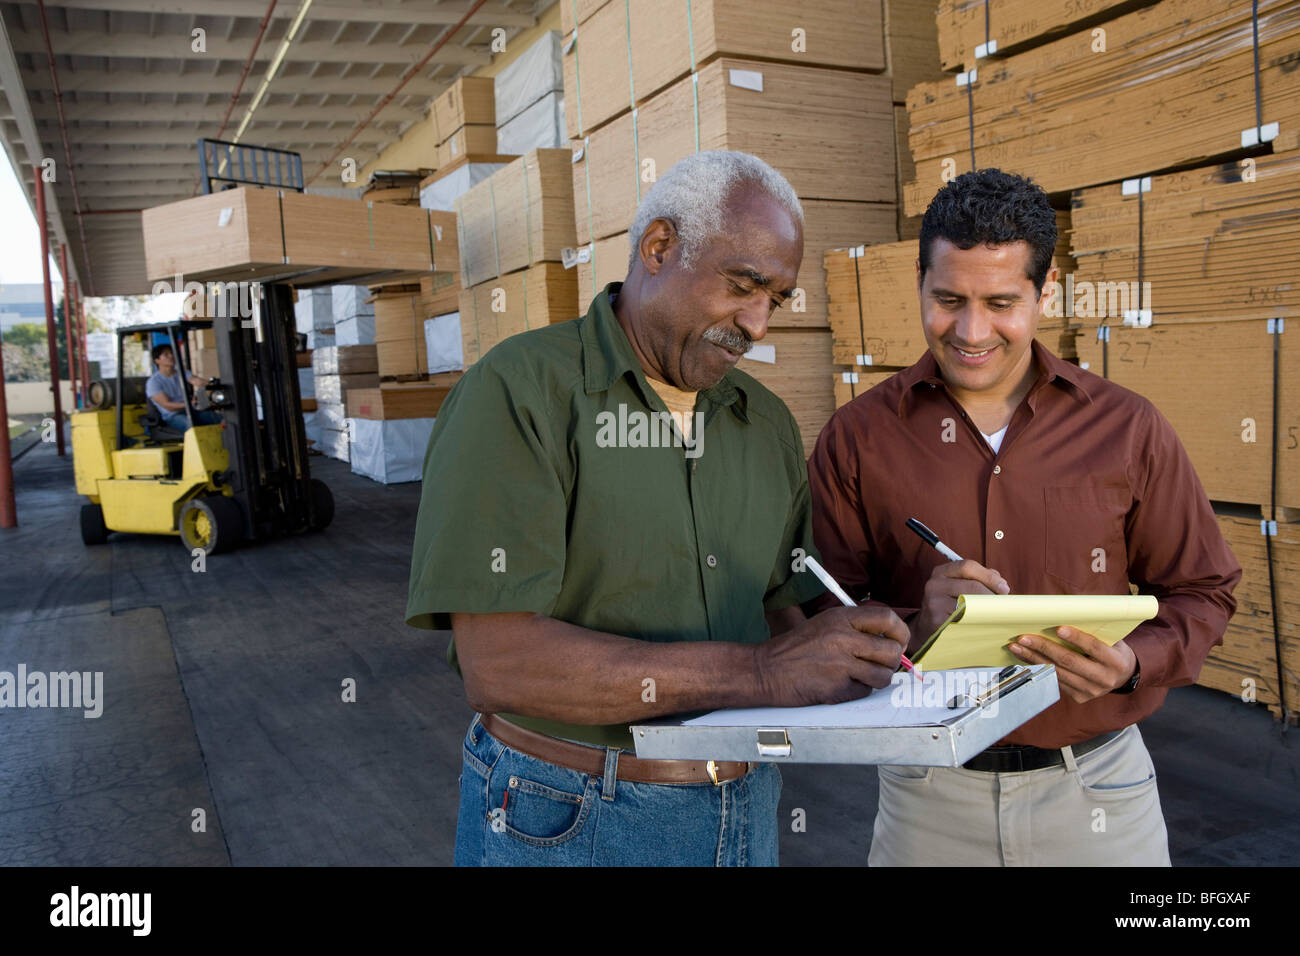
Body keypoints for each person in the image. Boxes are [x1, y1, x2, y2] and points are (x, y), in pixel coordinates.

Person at [406, 150, 910, 867]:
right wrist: (762, 673)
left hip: (742, 804)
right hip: (568, 817)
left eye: (778, 299)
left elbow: (780, 615)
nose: (760, 323)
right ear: (659, 248)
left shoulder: (762, 423)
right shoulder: (520, 394)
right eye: (744, 286)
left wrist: (910, 634)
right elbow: (501, 662)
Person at [807, 168, 1241, 866]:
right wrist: (917, 624)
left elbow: (1205, 590)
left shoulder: (1129, 429)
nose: (972, 331)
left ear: (1046, 292)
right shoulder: (858, 438)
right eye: (948, 299)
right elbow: (819, 617)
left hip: (1098, 793)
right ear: (918, 281)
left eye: (1001, 302)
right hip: (929, 793)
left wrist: (1133, 662)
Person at [145, 342, 219, 432]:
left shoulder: (181, 372)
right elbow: (167, 405)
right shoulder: (153, 382)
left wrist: (213, 382)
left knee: (218, 418)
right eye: (166, 354)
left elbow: (196, 381)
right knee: (190, 424)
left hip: (190, 411)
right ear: (157, 360)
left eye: (172, 353)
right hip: (173, 416)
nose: (171, 356)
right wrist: (190, 404)